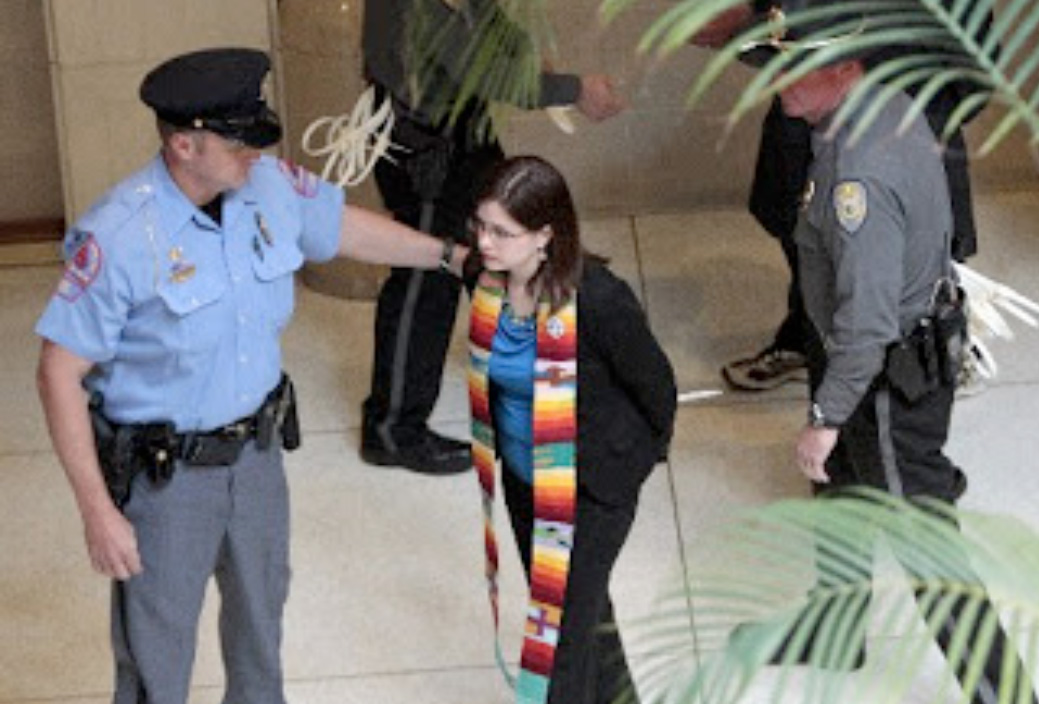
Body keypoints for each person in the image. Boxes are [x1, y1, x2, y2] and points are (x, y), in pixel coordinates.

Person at [34, 47, 468, 704]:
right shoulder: (121, 235)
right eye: (238, 142)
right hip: (165, 480)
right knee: (158, 657)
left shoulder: (265, 185)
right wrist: (98, 511)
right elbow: (58, 374)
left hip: (258, 460)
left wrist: (450, 256)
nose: (255, 153)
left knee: (261, 631)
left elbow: (342, 226)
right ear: (184, 144)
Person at [759, 5, 1037, 700]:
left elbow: (871, 321)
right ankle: (837, 629)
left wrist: (825, 417)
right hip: (861, 357)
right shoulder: (876, 108)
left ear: (846, 68)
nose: (778, 79)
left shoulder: (861, 177)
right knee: (839, 495)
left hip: (883, 379)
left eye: (798, 66)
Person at [360, 0, 625, 475]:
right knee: (425, 283)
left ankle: (539, 384)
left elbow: (484, 17)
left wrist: (523, 52)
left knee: (505, 248)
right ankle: (392, 430)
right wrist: (573, 89)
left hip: (460, 130)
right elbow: (484, 71)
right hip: (423, 148)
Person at [694, 0, 990, 392]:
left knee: (906, 259)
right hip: (812, 112)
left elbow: (974, 63)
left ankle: (939, 352)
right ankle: (808, 338)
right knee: (805, 234)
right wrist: (751, 18)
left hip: (902, 118)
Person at [465, 156, 677, 703]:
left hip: (591, 490)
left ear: (545, 235)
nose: (484, 243)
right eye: (480, 226)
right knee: (580, 609)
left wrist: (627, 464)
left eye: (501, 232)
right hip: (523, 481)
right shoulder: (486, 280)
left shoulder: (599, 298)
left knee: (559, 635)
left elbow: (657, 387)